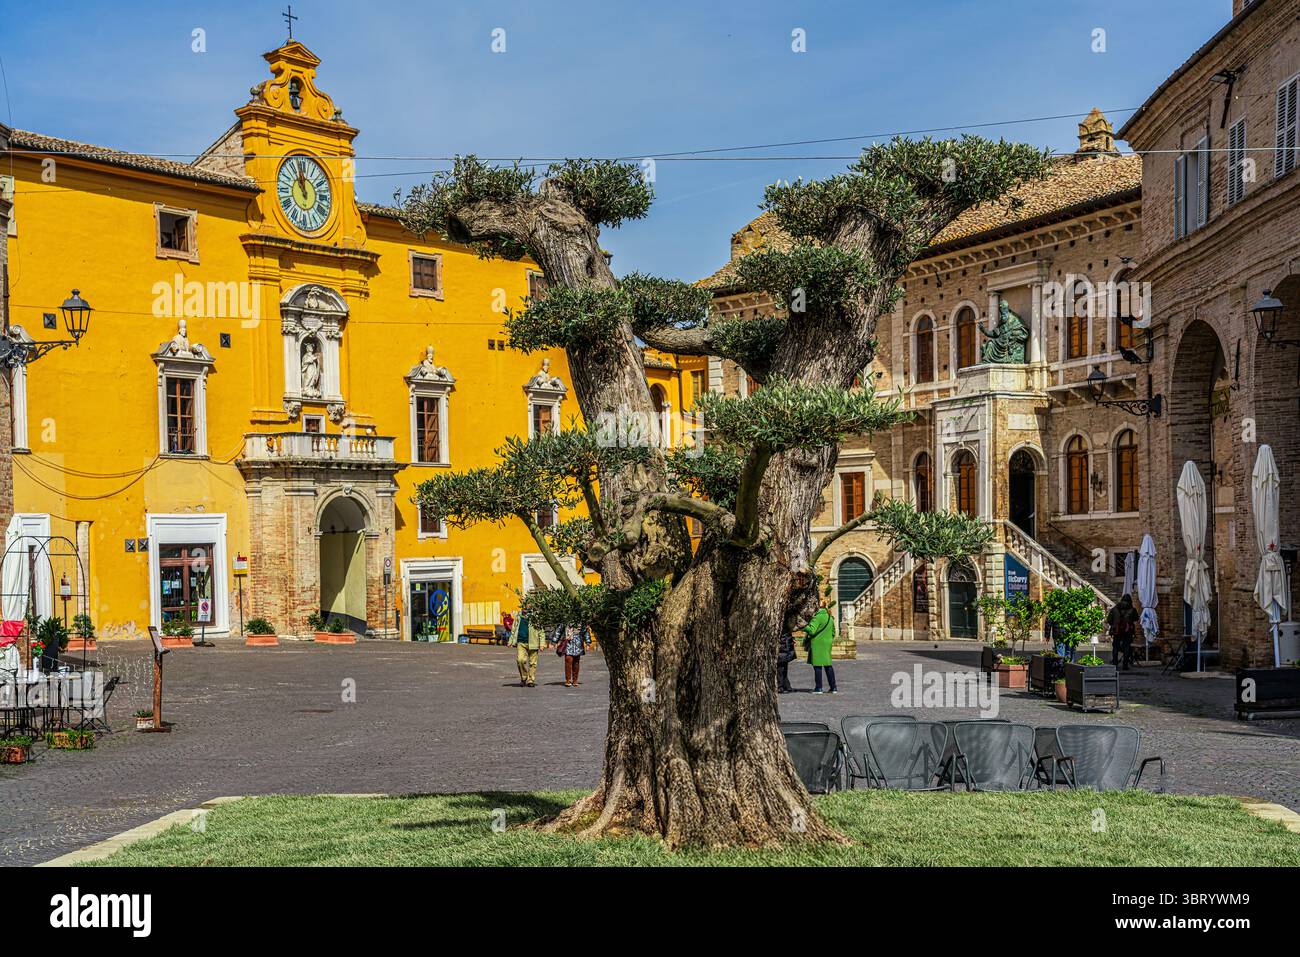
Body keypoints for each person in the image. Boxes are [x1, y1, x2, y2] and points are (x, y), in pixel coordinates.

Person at [801, 599, 837, 694]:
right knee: (828, 666)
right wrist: (828, 639)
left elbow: (812, 630)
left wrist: (803, 626)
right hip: (827, 643)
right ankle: (833, 687)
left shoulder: (817, 618)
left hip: (817, 643)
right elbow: (833, 632)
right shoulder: (830, 617)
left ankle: (819, 688)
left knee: (817, 666)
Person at [508, 611, 544, 688]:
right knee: (520, 660)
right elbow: (514, 629)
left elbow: (541, 631)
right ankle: (524, 677)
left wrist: (542, 644)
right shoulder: (518, 616)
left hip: (533, 642)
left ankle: (531, 680)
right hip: (521, 642)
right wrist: (510, 640)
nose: (525, 606)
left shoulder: (535, 616)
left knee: (533, 663)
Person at [1107, 593, 1138, 671]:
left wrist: (1115, 624)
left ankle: (1115, 663)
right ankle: (1125, 665)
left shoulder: (1114, 609)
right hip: (1128, 631)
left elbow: (1109, 620)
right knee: (1127, 647)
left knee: (1115, 647)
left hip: (1116, 631)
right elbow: (1136, 619)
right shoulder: (1132, 609)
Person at [560, 622, 587, 687]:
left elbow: (585, 632)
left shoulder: (581, 621)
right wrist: (553, 641)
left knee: (576, 663)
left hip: (578, 645)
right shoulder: (565, 621)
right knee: (568, 661)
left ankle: (575, 680)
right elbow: (559, 630)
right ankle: (568, 680)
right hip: (568, 644)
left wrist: (588, 642)